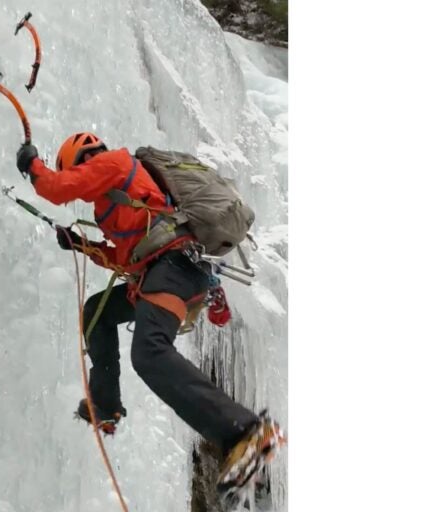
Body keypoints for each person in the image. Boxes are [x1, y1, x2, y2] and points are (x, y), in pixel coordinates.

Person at [15, 132, 268, 474]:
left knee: (150, 353)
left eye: (75, 170)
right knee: (98, 311)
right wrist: (82, 245)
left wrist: (31, 163)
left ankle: (242, 432)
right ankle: (105, 405)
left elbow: (57, 188)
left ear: (83, 159)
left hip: (173, 267)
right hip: (162, 273)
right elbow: (125, 259)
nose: (79, 178)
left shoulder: (113, 162)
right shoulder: (111, 205)